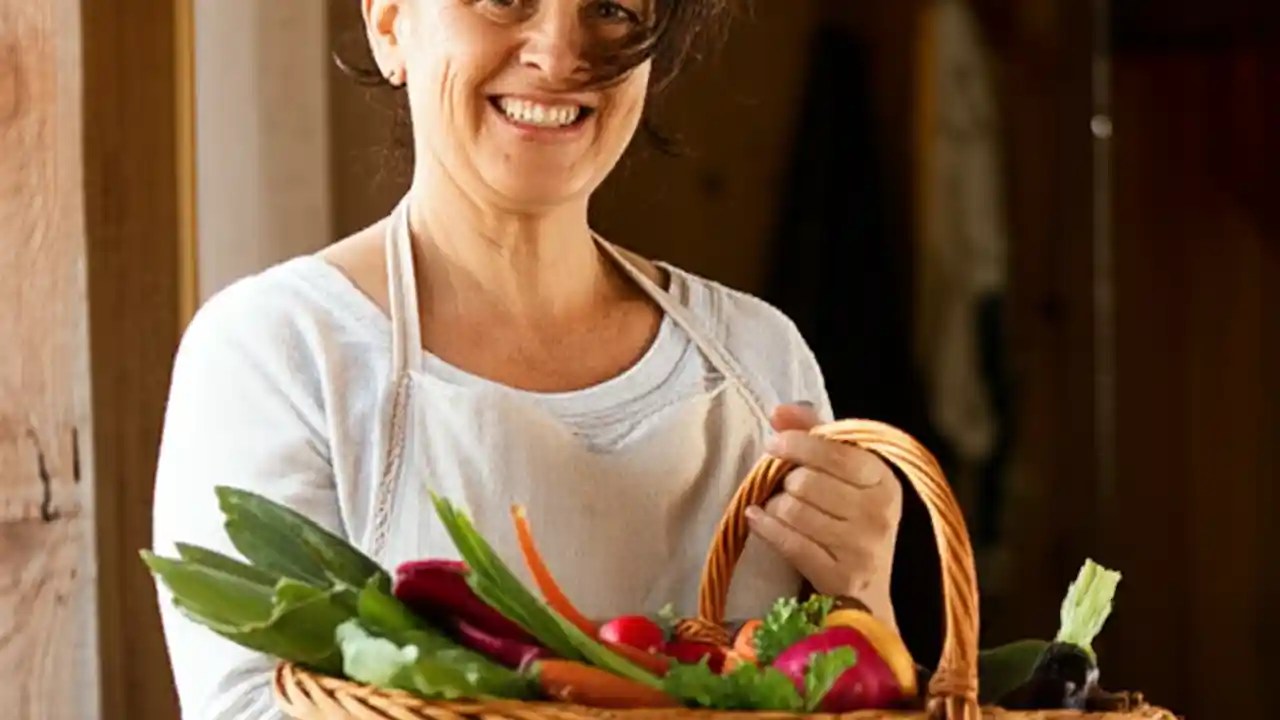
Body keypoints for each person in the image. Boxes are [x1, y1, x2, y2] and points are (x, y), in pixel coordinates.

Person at [151, 0, 903, 717]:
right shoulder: (280, 352)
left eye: (610, 9)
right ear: (388, 24)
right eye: (502, 0)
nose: (558, 54)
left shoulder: (758, 354)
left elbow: (861, 695)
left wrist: (867, 591)